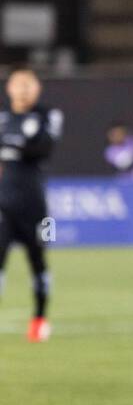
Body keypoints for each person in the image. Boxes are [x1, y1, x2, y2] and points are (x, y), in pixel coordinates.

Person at [0, 67, 61, 342]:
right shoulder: (2, 118)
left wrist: (16, 146)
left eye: (29, 84)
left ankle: (39, 319)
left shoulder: (49, 116)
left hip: (37, 205)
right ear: (9, 88)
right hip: (4, 203)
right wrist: (20, 144)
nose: (24, 90)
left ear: (37, 89)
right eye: (19, 84)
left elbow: (43, 148)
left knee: (38, 260)